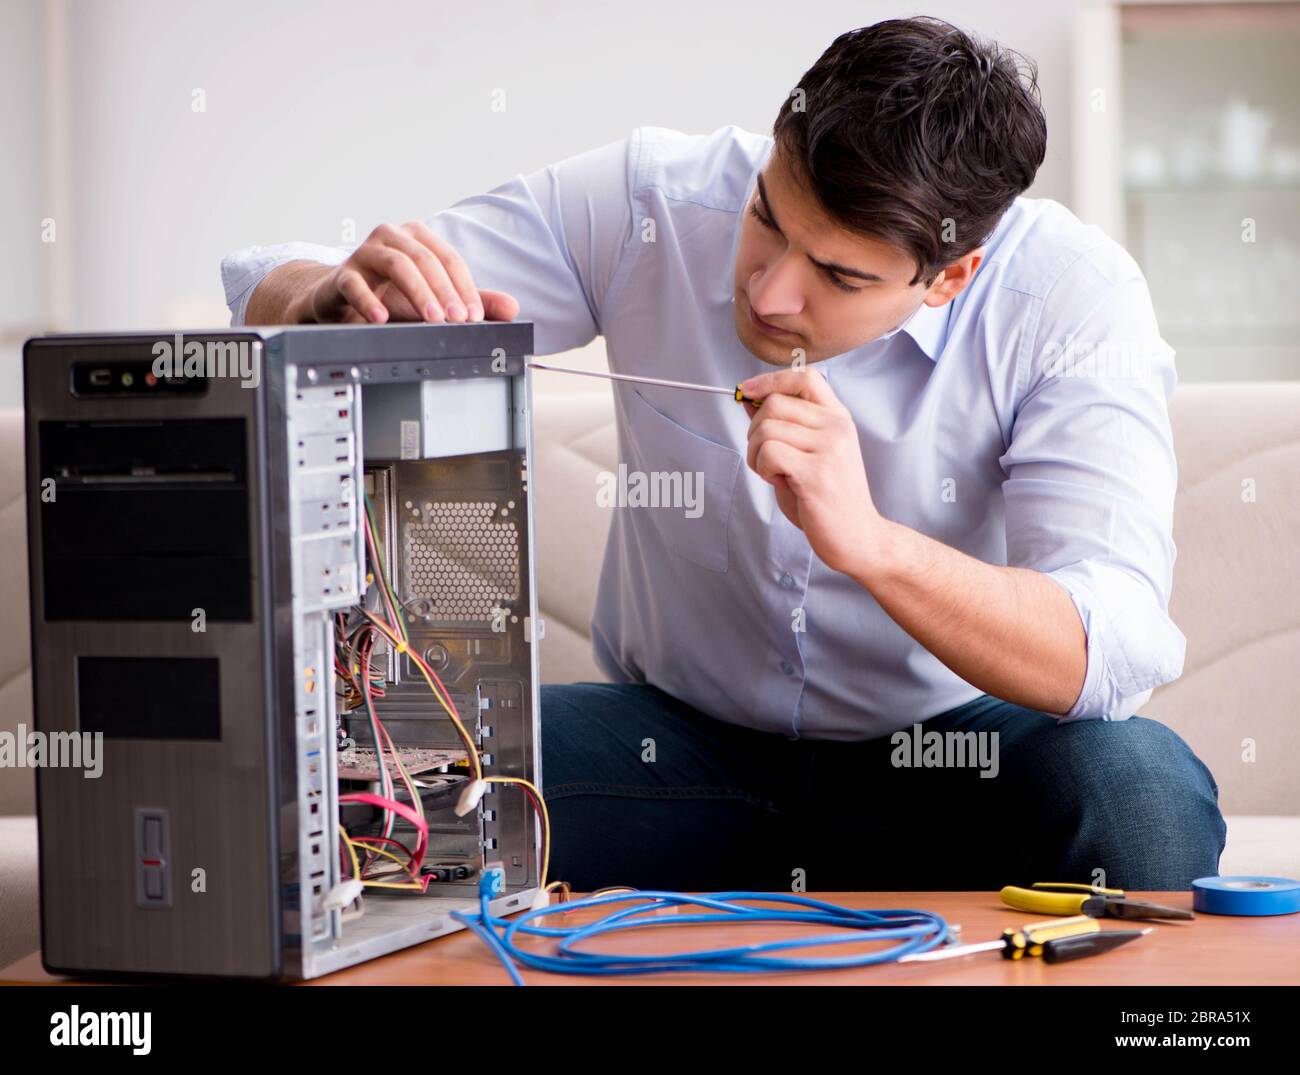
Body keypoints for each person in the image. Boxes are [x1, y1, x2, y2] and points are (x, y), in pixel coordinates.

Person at [222, 16, 1226, 892]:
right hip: (674, 751)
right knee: (377, 786)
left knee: (1140, 794)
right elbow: (277, 279)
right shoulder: (654, 200)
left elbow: (1112, 644)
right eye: (767, 218)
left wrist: (870, 542)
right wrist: (325, 302)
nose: (770, 292)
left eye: (836, 272)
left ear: (949, 275)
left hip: (952, 753)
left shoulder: (1069, 300)